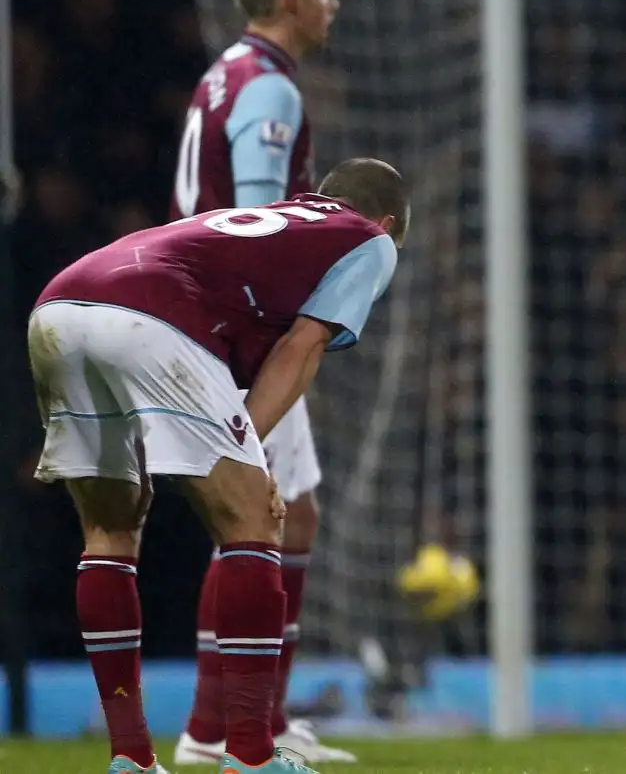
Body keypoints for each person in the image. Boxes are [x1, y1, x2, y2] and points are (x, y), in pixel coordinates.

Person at [28, 159, 408, 774]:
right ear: (389, 223)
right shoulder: (371, 240)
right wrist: (248, 456)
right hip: (148, 313)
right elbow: (302, 345)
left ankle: (130, 758)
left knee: (109, 532)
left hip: (60, 302)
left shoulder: (264, 223)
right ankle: (252, 756)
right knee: (253, 518)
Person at [168, 0, 355, 766]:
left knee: (294, 509)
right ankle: (217, 729)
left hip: (215, 319)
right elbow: (253, 224)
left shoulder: (224, 76)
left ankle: (261, 717)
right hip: (242, 330)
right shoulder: (268, 90)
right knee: (257, 518)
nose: (333, 3)